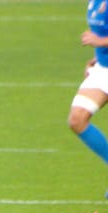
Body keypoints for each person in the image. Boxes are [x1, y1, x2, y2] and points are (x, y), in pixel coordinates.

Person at [68, 3, 108, 178]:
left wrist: (101, 42)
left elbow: (100, 37)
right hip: (103, 69)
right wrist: (98, 57)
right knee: (77, 119)